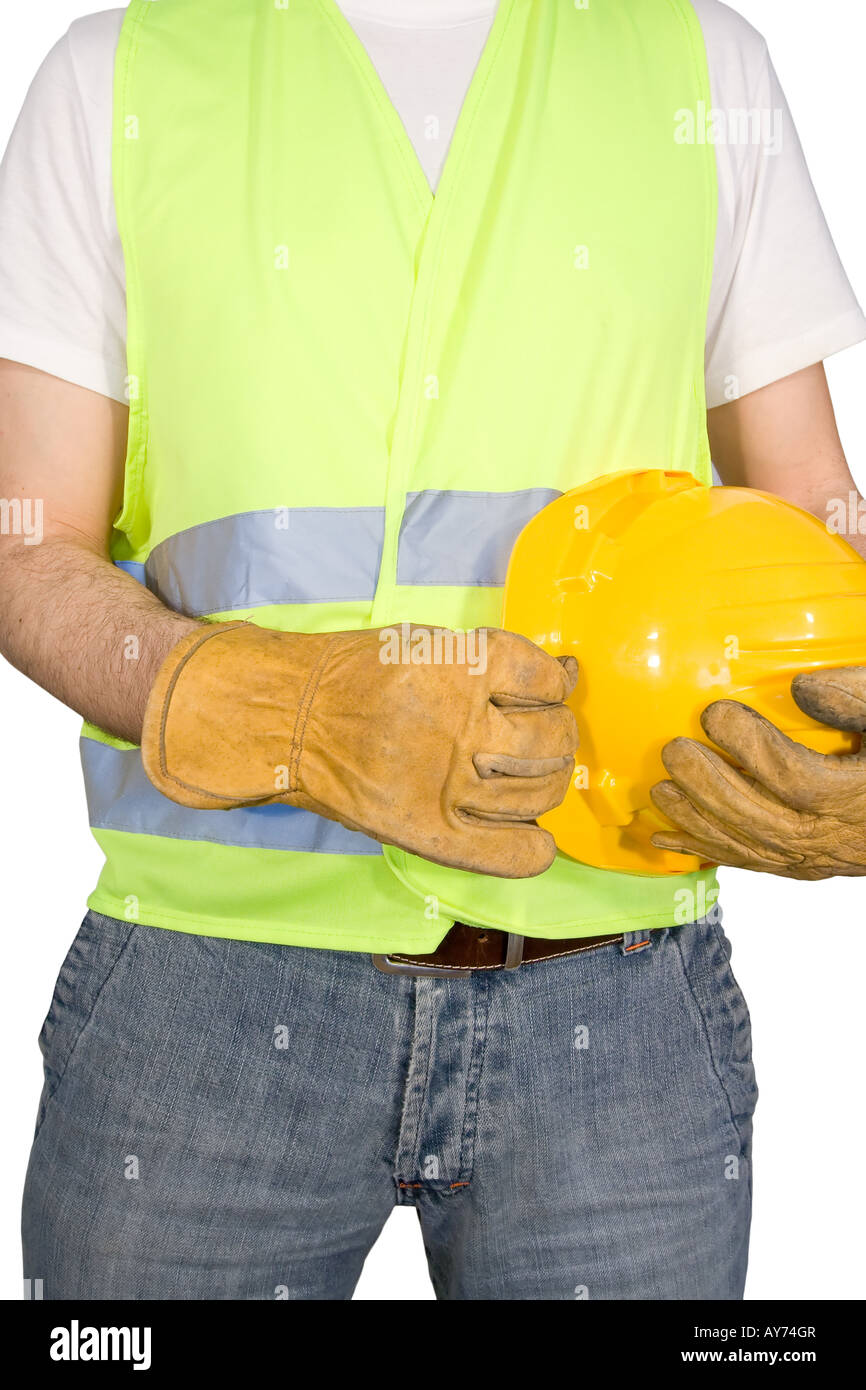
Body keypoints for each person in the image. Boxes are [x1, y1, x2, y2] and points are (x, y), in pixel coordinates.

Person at [1, 0, 863, 1302]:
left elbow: (813, 521)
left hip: (616, 999)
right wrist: (277, 712)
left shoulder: (699, 61)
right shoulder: (115, 76)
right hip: (200, 998)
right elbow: (24, 545)